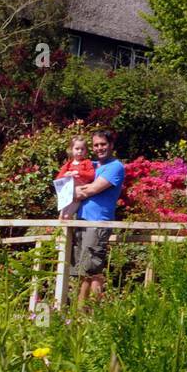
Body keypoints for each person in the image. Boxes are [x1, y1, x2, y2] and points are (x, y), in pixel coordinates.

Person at [68, 129, 125, 308]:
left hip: (98, 222)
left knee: (91, 269)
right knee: (79, 269)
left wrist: (73, 192)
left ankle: (87, 314)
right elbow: (65, 180)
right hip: (82, 221)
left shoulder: (115, 166)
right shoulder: (90, 165)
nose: (99, 148)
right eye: (96, 145)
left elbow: (92, 190)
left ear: (111, 145)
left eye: (103, 144)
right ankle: (78, 315)